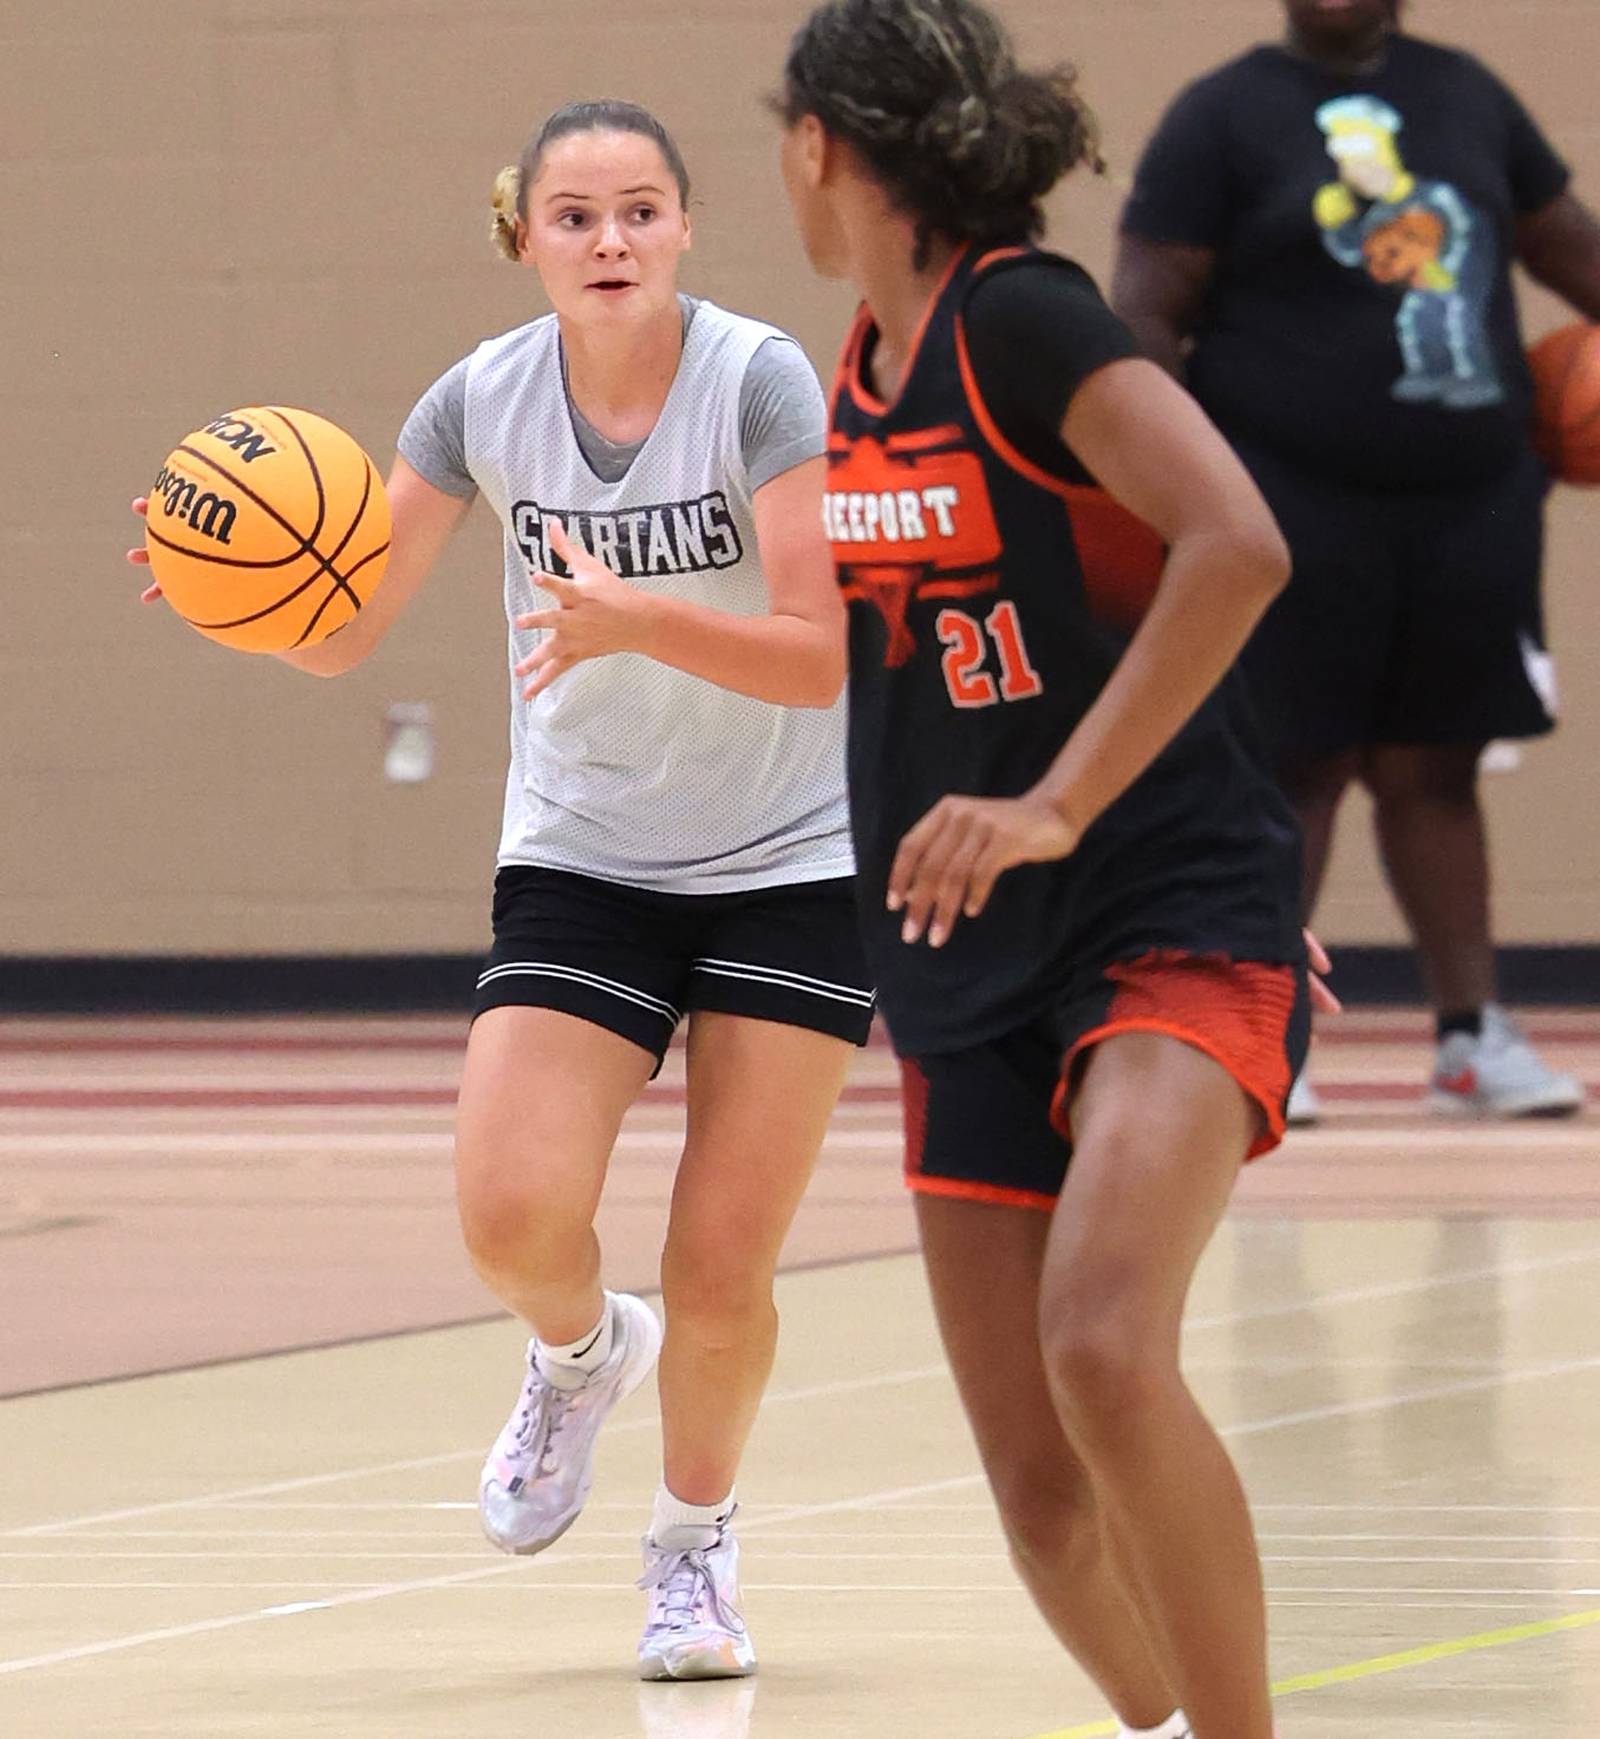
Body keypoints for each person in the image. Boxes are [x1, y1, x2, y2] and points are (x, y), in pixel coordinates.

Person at [131, 99, 875, 1681]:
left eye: (642, 210)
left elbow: (821, 655)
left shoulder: (757, 382)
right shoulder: (481, 397)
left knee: (720, 1262)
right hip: (588, 851)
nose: (611, 240)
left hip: (785, 858)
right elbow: (342, 628)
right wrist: (228, 594)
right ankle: (581, 1353)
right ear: (524, 236)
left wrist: (644, 620)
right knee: (511, 1215)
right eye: (576, 216)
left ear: (686, 227)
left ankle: (693, 1552)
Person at [773, 2, 1337, 1735]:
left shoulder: (1020, 320)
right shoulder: (861, 365)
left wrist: (1061, 802)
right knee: (1039, 1492)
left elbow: (1237, 542)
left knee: (1103, 1339)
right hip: (961, 951)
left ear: (818, 149)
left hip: (1166, 908)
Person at [1114, 0, 1600, 1121]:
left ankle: (1471, 1036)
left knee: (1438, 768)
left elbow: (1567, 242)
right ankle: (1271, 1029)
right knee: (1296, 766)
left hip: (1471, 501)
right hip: (1290, 502)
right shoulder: (1220, 116)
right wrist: (1175, 487)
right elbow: (1143, 312)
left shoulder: (1468, 95)